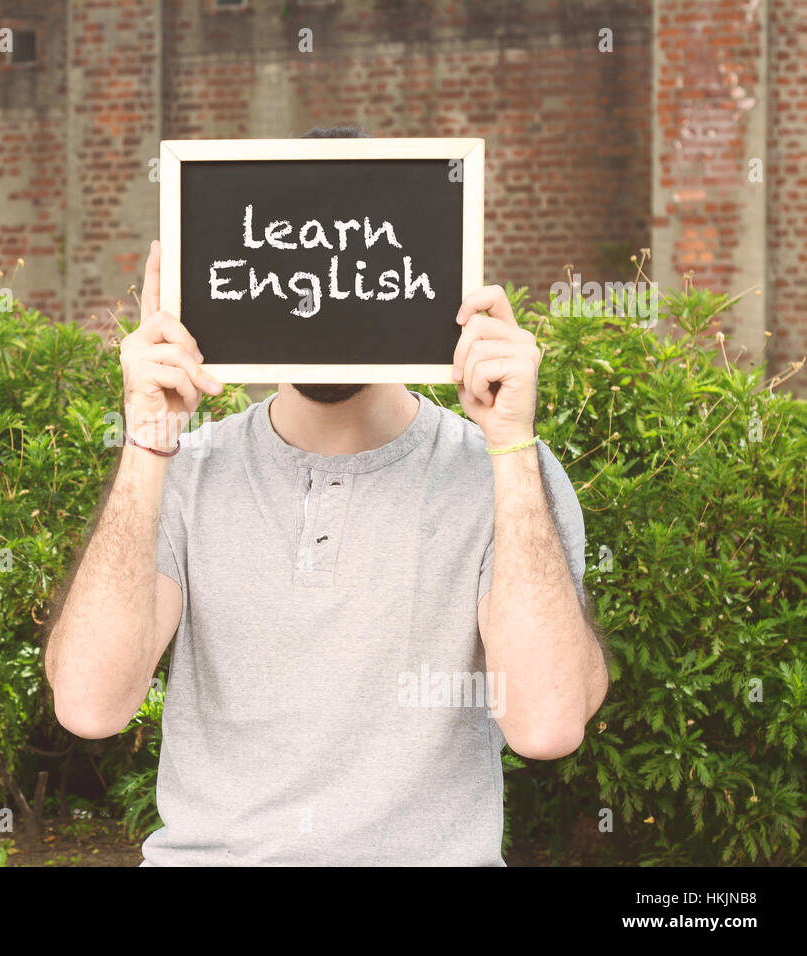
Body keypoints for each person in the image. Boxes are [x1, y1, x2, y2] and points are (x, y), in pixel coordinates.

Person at [44, 127, 609, 866]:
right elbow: (89, 705)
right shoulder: (182, 469)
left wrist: (510, 441)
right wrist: (147, 440)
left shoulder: (505, 474)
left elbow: (549, 725)